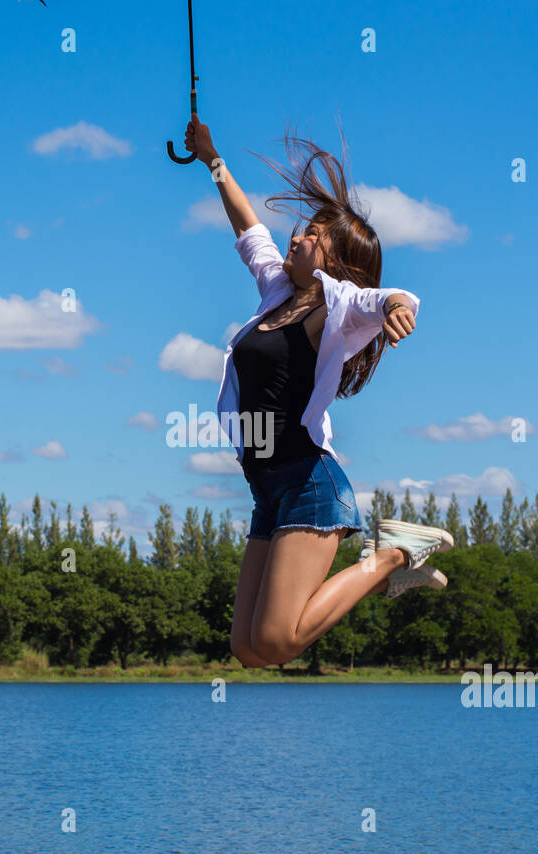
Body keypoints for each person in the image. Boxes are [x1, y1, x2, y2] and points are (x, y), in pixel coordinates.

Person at [184, 114, 453, 668]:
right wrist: (212, 159)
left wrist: (399, 307)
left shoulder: (337, 306)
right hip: (268, 491)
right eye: (302, 228)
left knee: (281, 642)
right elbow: (248, 228)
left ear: (333, 262)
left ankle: (390, 556)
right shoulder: (278, 290)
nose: (297, 236)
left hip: (310, 484)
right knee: (248, 650)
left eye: (311, 236)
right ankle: (383, 577)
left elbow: (382, 300)